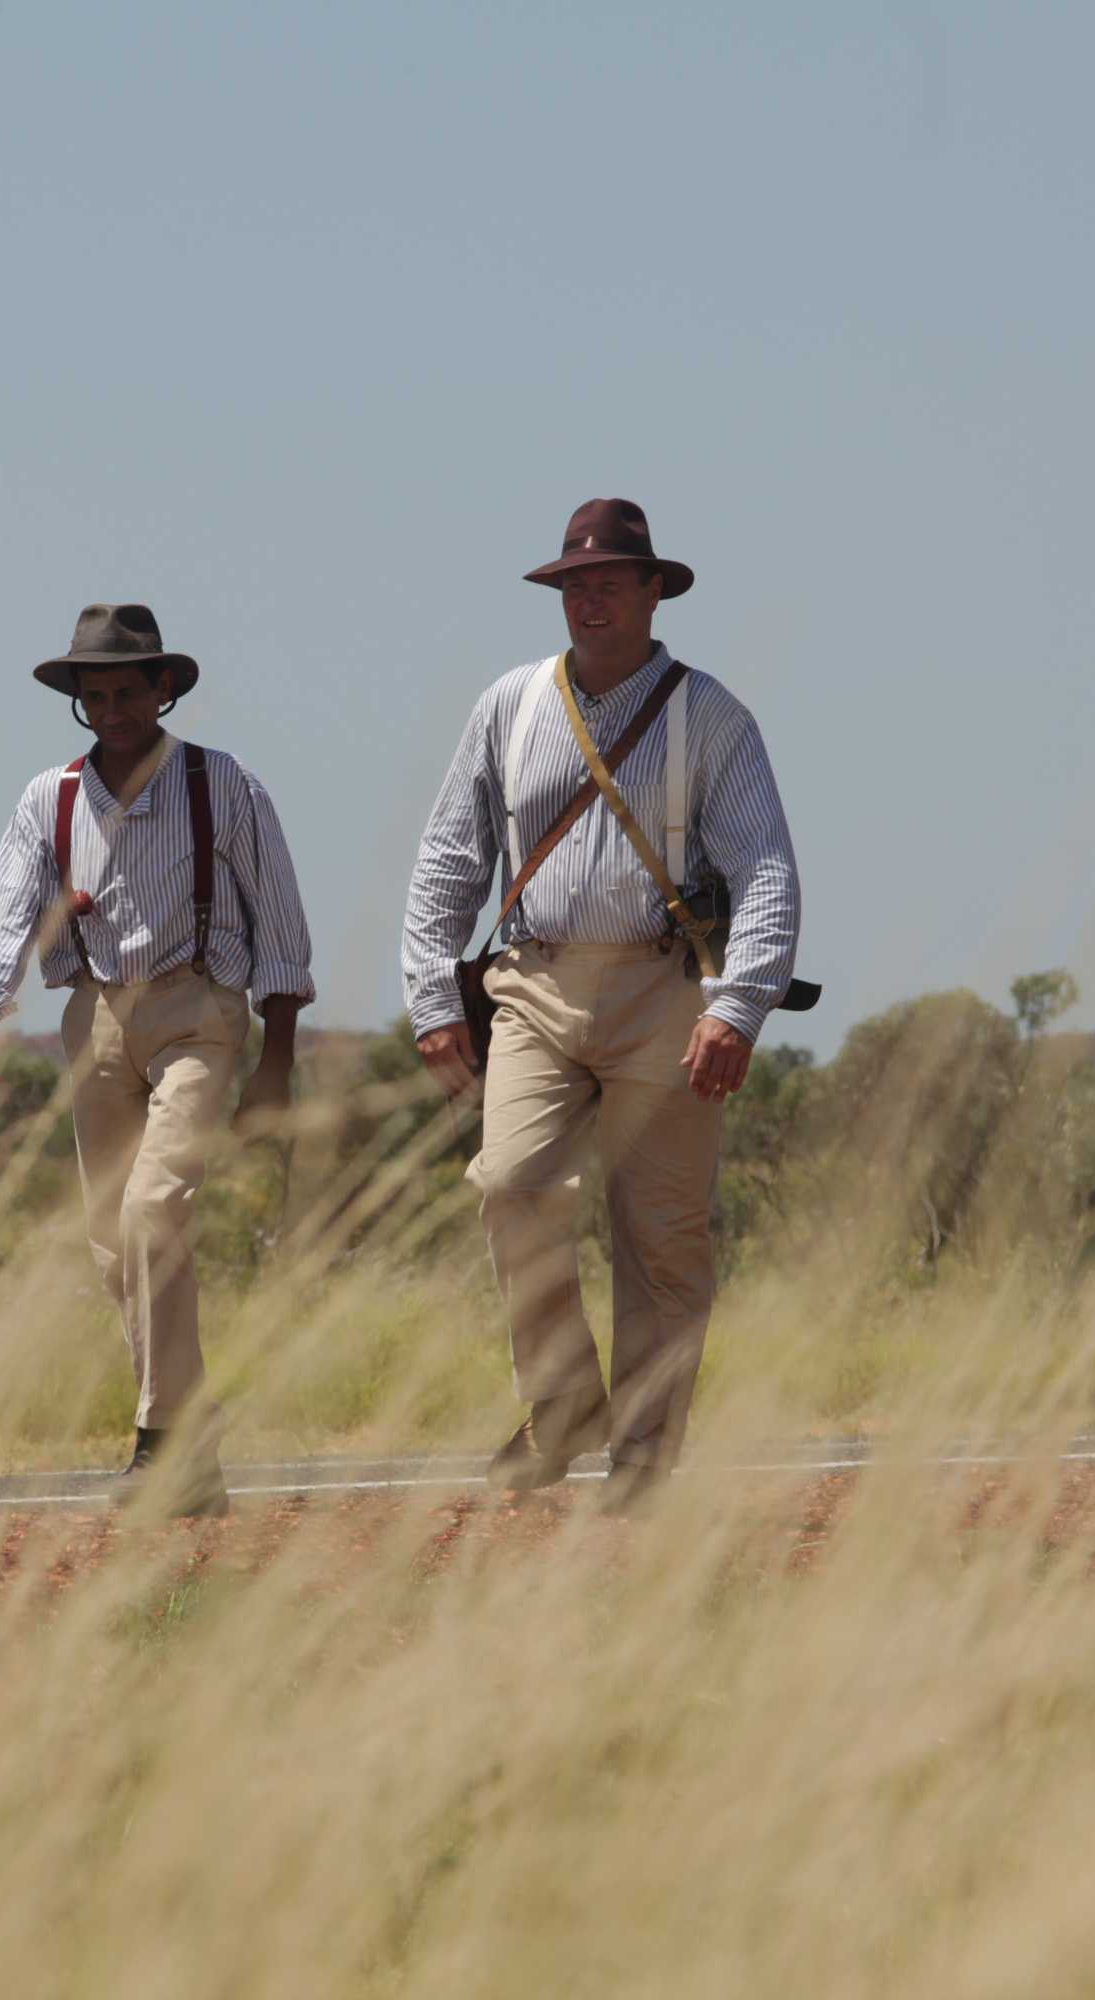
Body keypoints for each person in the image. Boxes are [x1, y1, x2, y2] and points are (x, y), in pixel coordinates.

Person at [398, 500, 802, 1512]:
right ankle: (566, 1395)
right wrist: (431, 990)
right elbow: (454, 850)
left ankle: (642, 1464)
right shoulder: (511, 703)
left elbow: (765, 868)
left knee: (659, 1234)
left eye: (610, 580)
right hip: (532, 983)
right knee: (510, 1181)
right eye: (574, 582)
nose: (589, 597)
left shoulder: (711, 714)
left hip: (663, 988)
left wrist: (737, 1005)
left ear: (654, 589)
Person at [0, 602, 316, 1517]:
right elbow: (3, 913)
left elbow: (281, 925)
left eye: (125, 690)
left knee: (155, 1210)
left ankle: (160, 1439)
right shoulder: (52, 797)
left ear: (163, 688)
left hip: (201, 1011)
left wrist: (276, 1063)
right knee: (114, 1242)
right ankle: (189, 1450)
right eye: (92, 693)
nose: (109, 708)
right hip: (97, 1017)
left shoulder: (222, 785)